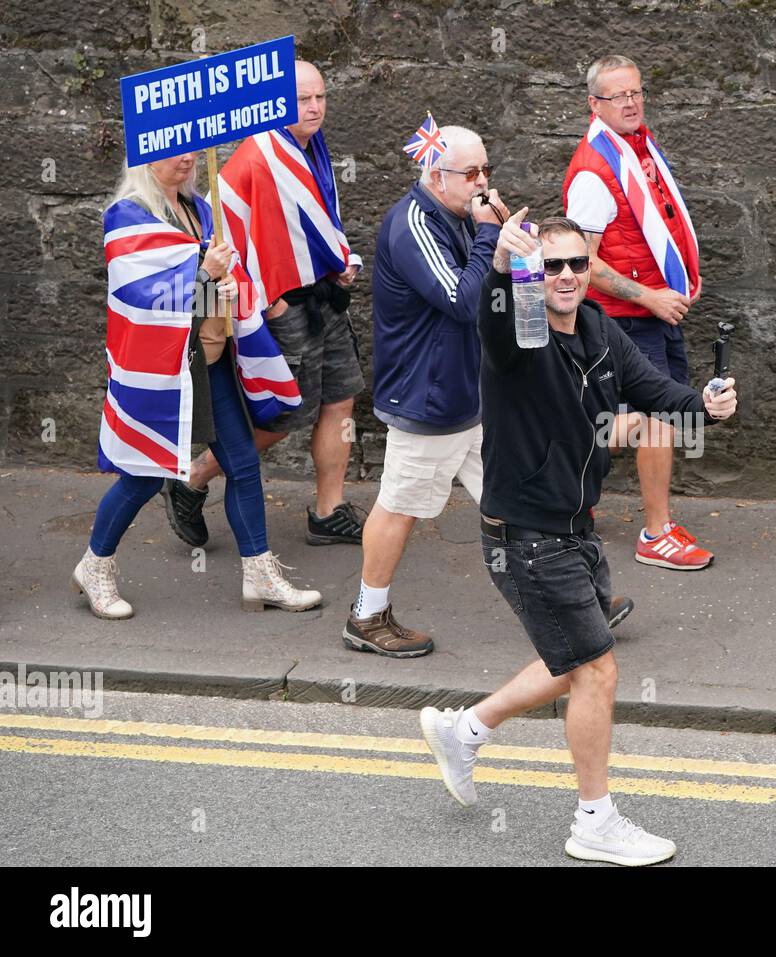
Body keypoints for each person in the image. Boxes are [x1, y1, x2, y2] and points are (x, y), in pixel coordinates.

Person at [420, 213, 738, 865]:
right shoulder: (521, 334)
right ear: (538, 273)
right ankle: (594, 819)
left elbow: (654, 393)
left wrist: (704, 405)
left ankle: (465, 729)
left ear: (590, 271)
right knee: (597, 668)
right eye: (551, 265)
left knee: (574, 661)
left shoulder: (600, 331)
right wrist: (504, 264)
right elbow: (492, 317)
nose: (564, 276)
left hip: (574, 527)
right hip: (525, 534)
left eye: (575, 265)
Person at [77, 151, 321, 619]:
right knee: (146, 475)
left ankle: (259, 574)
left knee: (244, 465)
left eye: (191, 150)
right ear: (146, 161)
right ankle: (95, 565)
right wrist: (206, 275)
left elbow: (200, 291)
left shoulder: (200, 209)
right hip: (161, 368)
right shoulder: (125, 216)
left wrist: (224, 286)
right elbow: (142, 297)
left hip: (208, 358)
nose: (188, 159)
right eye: (174, 152)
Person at [161, 60, 368, 549]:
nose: (314, 107)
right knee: (285, 413)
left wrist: (341, 259)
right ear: (277, 101)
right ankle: (192, 477)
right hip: (282, 305)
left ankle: (328, 511)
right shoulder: (257, 154)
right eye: (302, 99)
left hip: (322, 294)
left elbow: (313, 220)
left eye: (320, 97)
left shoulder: (309, 144)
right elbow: (222, 226)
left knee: (341, 397)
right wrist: (266, 301)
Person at [342, 126, 506, 656]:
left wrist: (501, 239)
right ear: (437, 177)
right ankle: (366, 617)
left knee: (517, 494)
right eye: (472, 173)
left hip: (471, 392)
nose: (483, 183)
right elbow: (461, 299)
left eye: (486, 170)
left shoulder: (459, 216)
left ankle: (573, 599)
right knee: (399, 507)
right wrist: (489, 236)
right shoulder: (412, 224)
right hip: (428, 399)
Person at [563, 54, 712, 571]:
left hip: (653, 311)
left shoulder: (635, 147)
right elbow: (582, 261)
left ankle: (567, 483)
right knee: (659, 419)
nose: (629, 102)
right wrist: (649, 296)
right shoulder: (594, 170)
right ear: (593, 104)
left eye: (636, 92)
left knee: (631, 418)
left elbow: (660, 223)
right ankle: (655, 532)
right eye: (616, 95)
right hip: (627, 317)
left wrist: (683, 275)